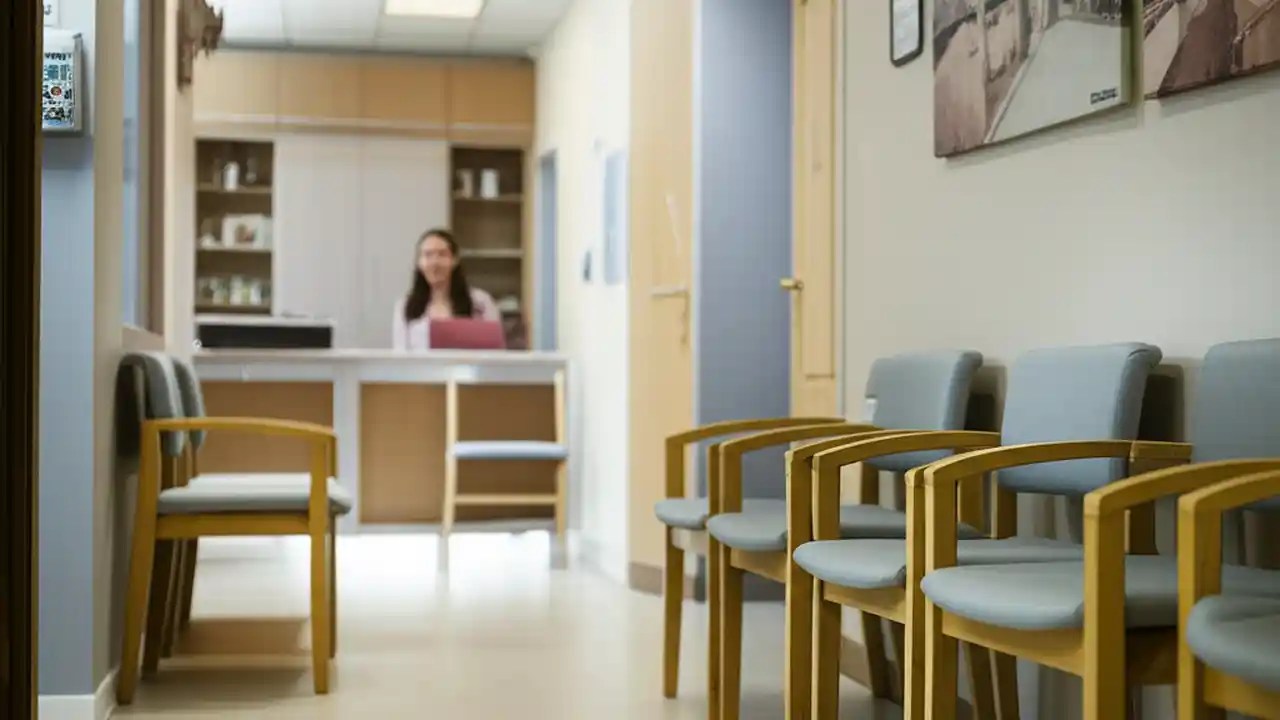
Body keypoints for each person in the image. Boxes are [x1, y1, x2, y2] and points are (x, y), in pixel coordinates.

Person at [393, 228, 500, 350]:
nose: (435, 262)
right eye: (428, 255)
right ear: (419, 263)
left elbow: (495, 352)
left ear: (455, 260)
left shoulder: (481, 302)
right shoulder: (404, 305)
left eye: (442, 254)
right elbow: (400, 354)